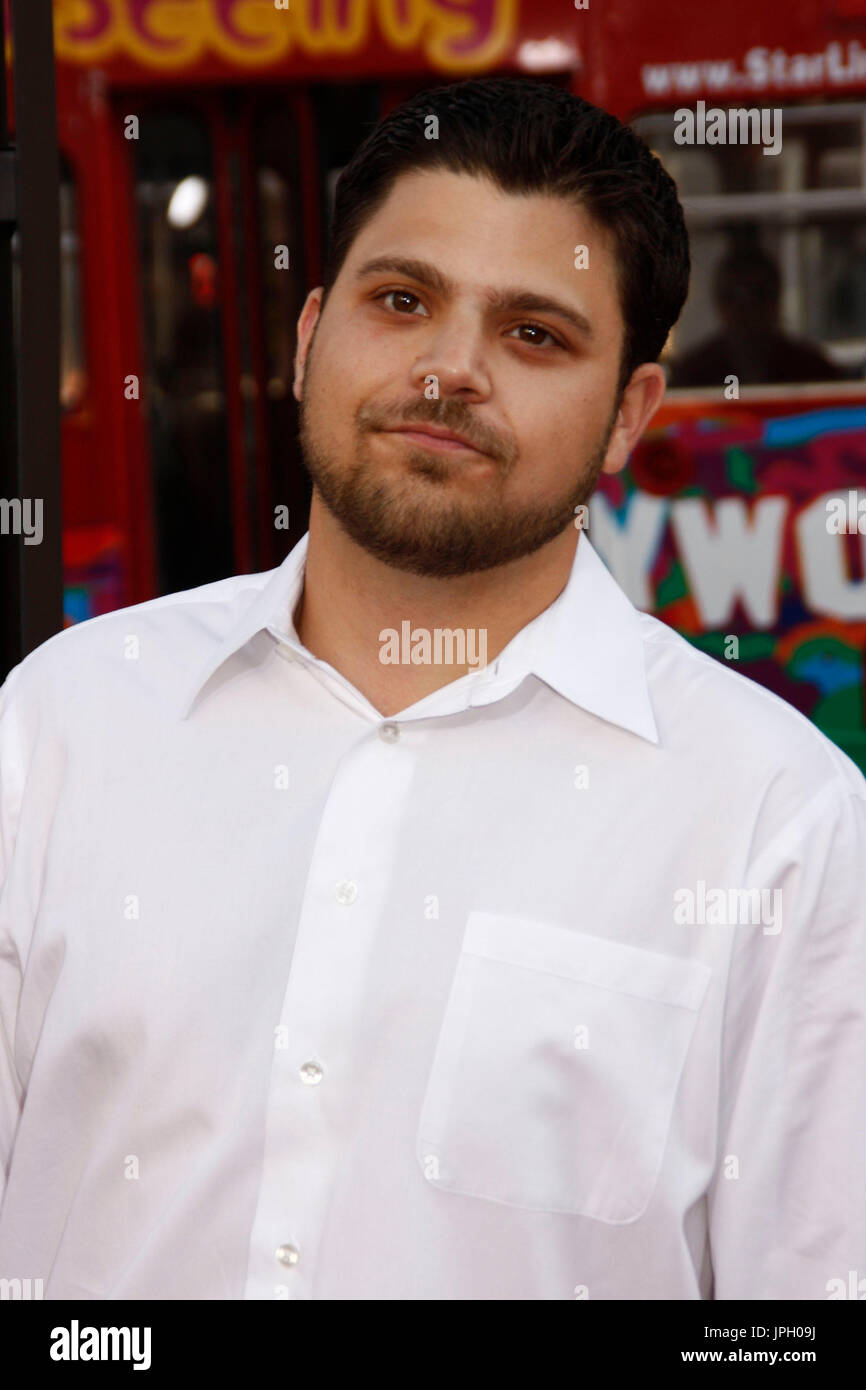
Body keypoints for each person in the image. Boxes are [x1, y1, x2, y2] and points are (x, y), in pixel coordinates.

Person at [0, 78, 863, 1302]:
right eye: (401, 301)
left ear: (628, 416)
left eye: (533, 334)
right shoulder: (60, 726)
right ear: (309, 338)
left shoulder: (778, 824)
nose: (449, 371)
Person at [668, 247, 849, 387]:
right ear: (718, 302)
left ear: (776, 300)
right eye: (732, 296)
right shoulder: (694, 371)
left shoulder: (812, 368)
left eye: (758, 295)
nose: (745, 308)